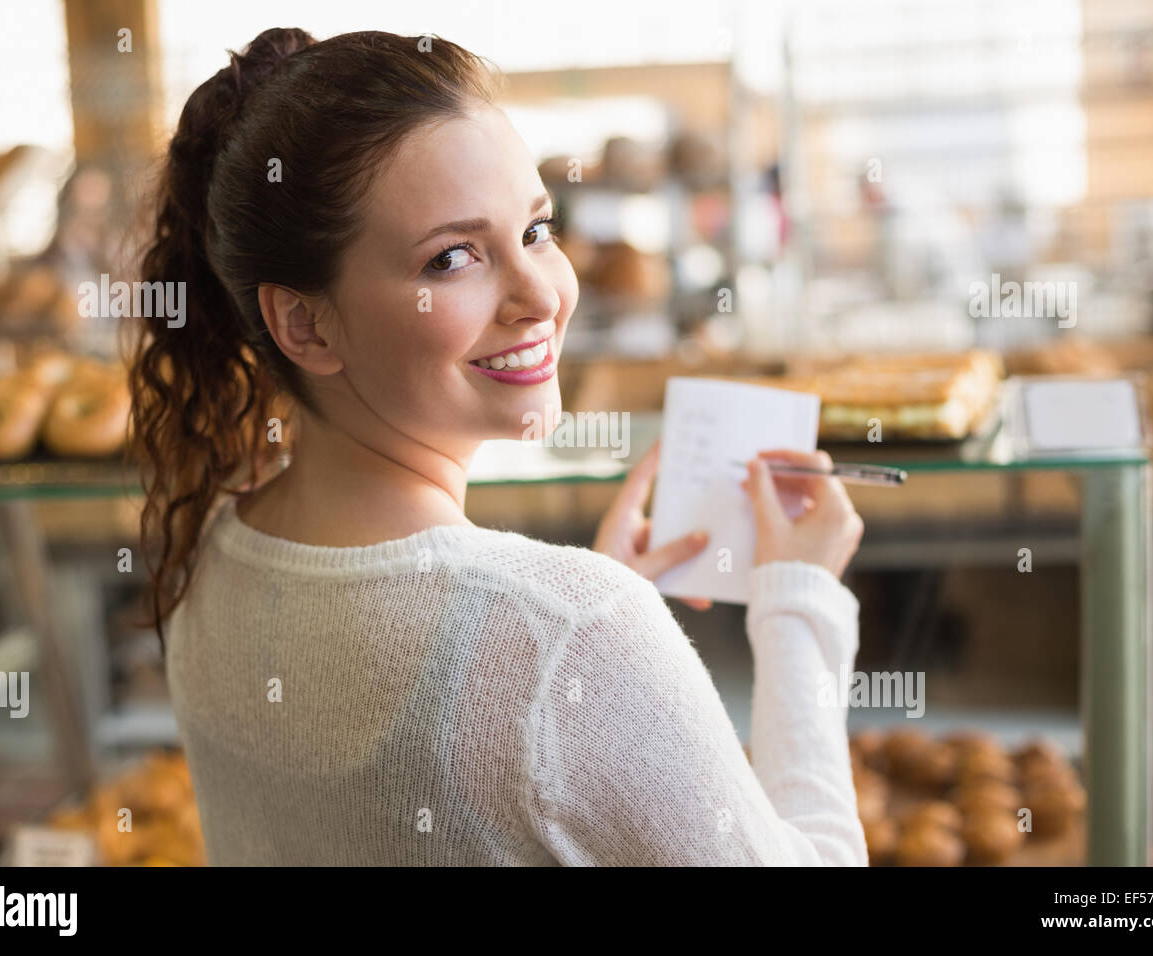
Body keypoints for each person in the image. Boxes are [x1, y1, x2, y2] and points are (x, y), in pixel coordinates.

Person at [127, 27, 867, 866]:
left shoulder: (208, 550)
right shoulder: (577, 633)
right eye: (451, 258)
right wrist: (798, 605)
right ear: (303, 322)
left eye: (537, 231)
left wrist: (559, 641)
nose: (540, 296)